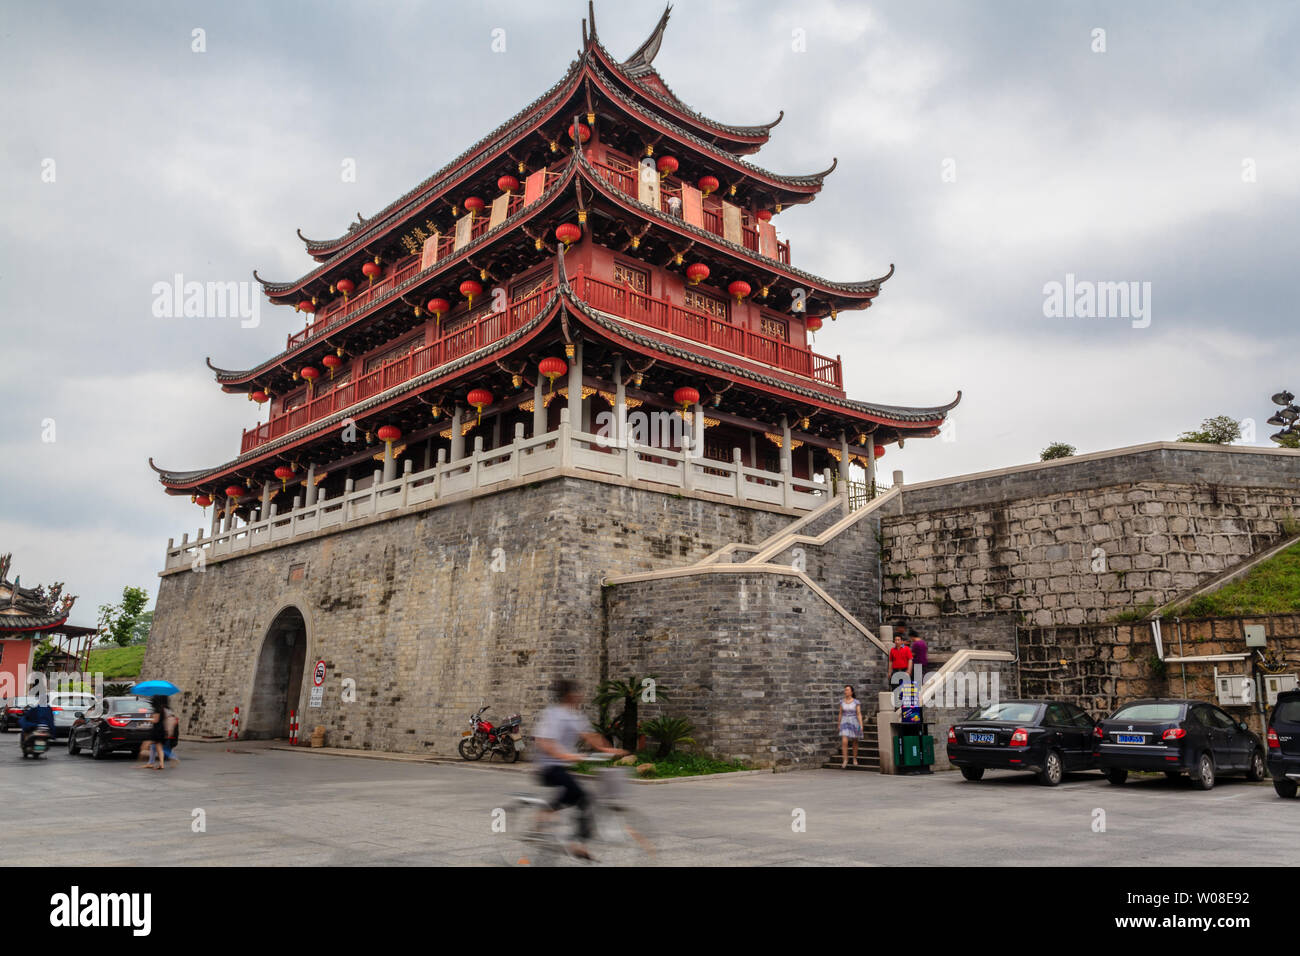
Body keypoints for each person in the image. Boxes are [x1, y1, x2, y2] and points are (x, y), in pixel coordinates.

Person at [533, 678, 626, 859]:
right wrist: (566, 756)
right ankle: (576, 844)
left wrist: (609, 750)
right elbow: (543, 741)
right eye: (577, 693)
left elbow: (590, 736)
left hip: (562, 767)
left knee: (576, 796)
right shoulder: (553, 715)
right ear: (569, 695)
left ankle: (546, 815)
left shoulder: (575, 715)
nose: (580, 696)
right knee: (583, 797)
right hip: (548, 766)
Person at [135, 695, 169, 771]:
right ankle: (161, 764)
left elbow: (155, 721)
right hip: (161, 730)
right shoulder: (163, 709)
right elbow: (163, 719)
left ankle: (143, 762)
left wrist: (146, 719)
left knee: (144, 745)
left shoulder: (157, 710)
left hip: (156, 731)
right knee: (158, 748)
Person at [837, 685, 863, 769]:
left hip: (854, 721)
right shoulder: (842, 702)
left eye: (848, 690)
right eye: (845, 690)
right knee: (844, 741)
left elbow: (858, 714)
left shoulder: (856, 702)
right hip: (845, 721)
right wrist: (839, 723)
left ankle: (854, 758)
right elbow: (840, 713)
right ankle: (845, 759)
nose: (846, 691)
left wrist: (861, 724)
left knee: (855, 741)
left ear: (851, 692)